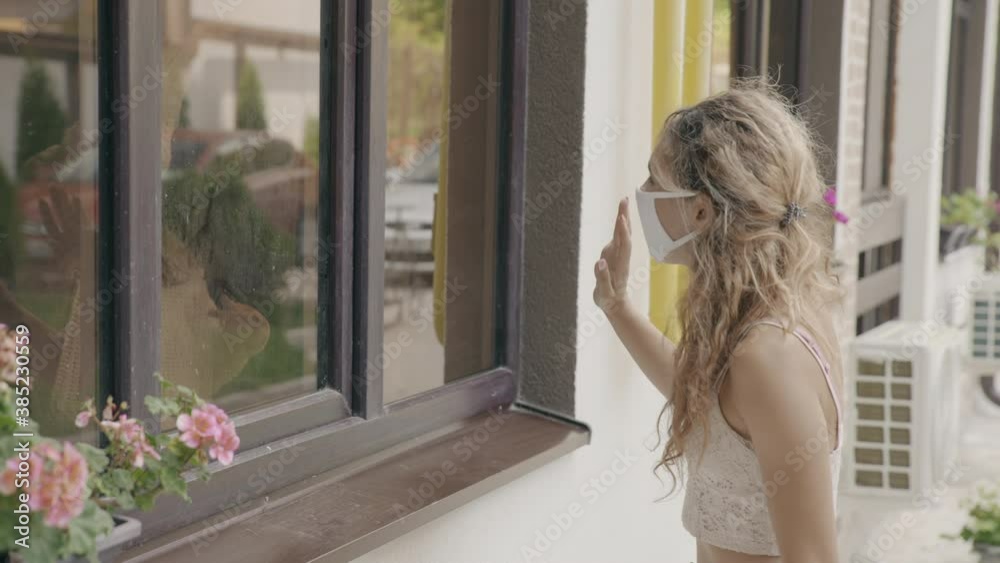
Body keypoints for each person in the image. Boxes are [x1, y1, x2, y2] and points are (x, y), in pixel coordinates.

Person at [593, 82, 844, 563]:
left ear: (701, 210)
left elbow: (812, 557)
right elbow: (713, 404)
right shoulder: (761, 313)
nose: (643, 194)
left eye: (654, 181)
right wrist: (617, 306)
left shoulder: (769, 357)